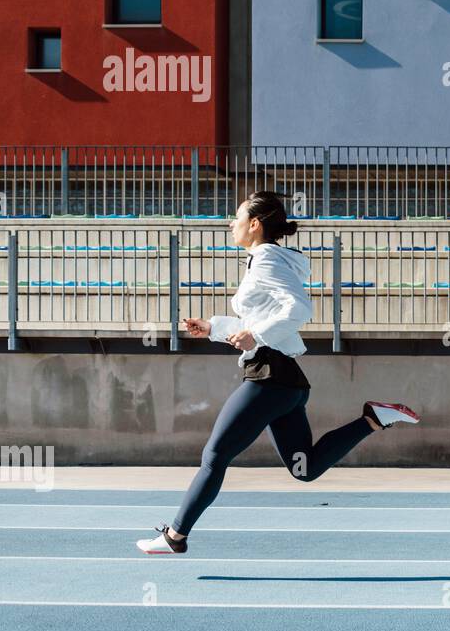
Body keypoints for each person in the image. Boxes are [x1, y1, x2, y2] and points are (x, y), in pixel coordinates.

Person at [136, 191, 418, 555]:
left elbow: (299, 308)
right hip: (286, 383)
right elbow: (262, 318)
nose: (231, 224)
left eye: (236, 217)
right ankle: (373, 419)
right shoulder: (264, 260)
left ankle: (175, 535)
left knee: (215, 456)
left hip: (270, 376)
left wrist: (256, 333)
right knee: (305, 468)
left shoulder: (266, 258)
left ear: (254, 224)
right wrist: (215, 327)